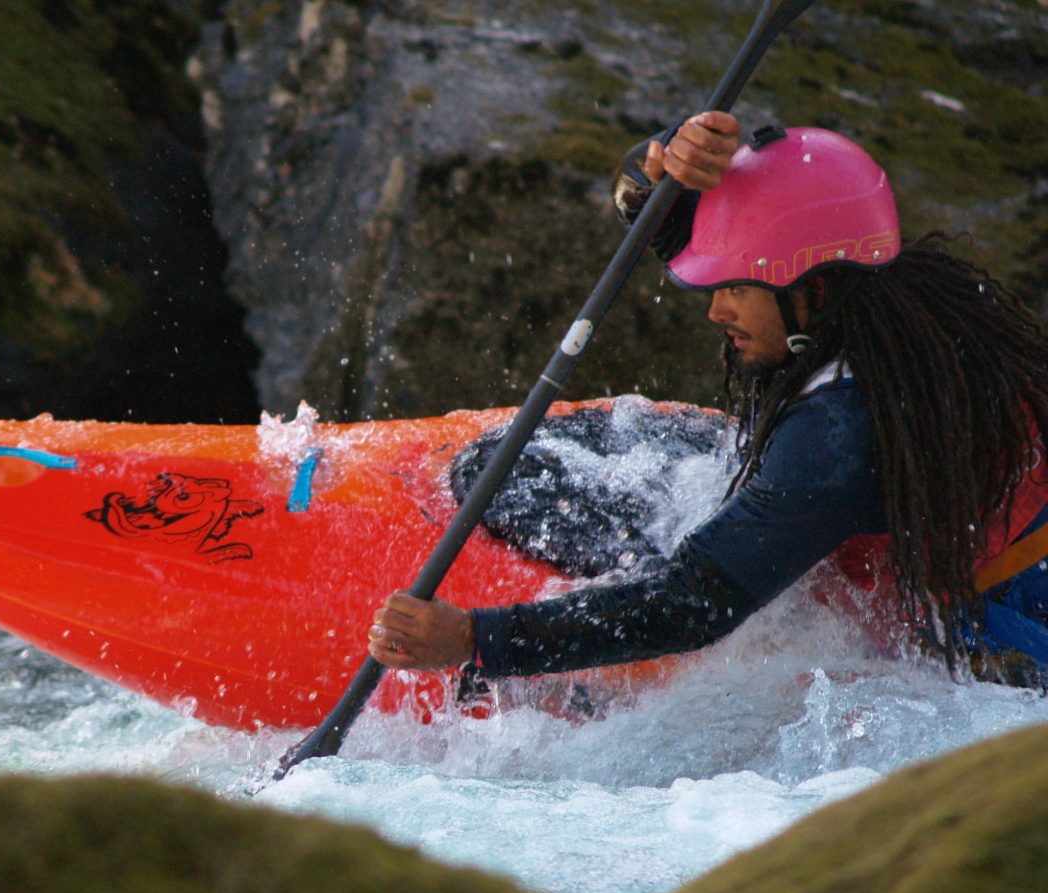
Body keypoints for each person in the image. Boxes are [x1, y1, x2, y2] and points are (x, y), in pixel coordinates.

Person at [367, 112, 1048, 686]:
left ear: (809, 284)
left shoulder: (841, 435)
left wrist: (476, 639)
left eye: (735, 284)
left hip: (1012, 618)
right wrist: (666, 161)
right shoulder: (875, 288)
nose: (714, 308)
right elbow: (648, 212)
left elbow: (697, 604)